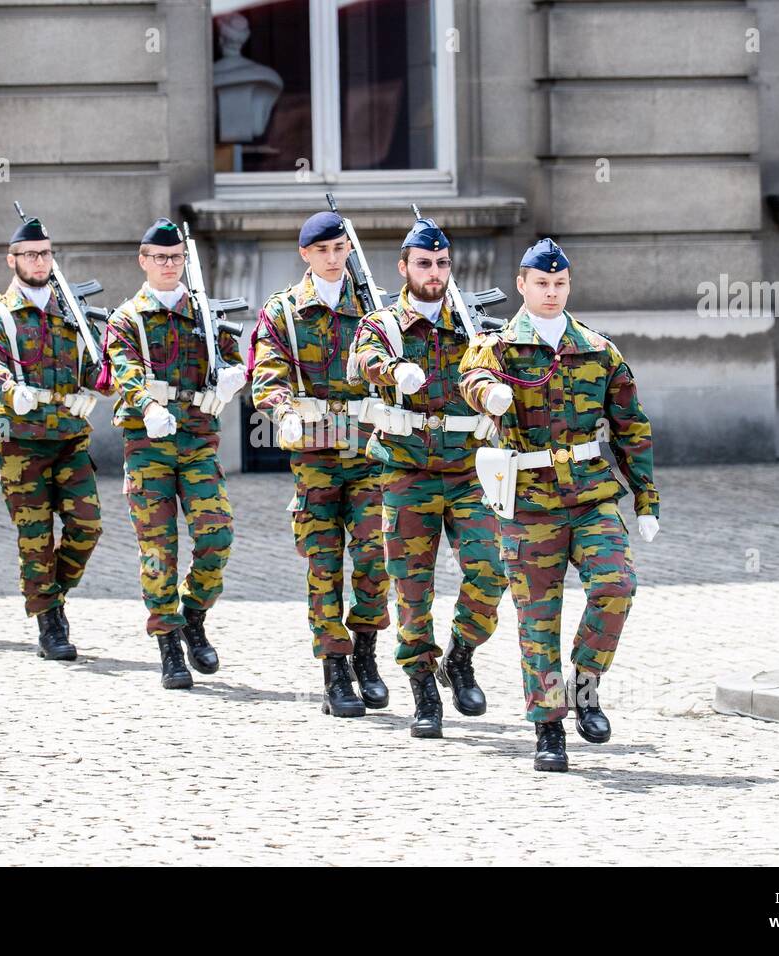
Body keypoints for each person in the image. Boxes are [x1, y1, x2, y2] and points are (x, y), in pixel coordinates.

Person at [458, 238, 660, 771]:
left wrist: (646, 499)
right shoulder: (497, 347)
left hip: (591, 498)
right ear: (521, 286)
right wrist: (489, 394)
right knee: (538, 617)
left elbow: (631, 428)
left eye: (560, 284)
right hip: (529, 503)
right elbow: (471, 379)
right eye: (541, 284)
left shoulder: (599, 350)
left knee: (616, 585)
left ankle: (586, 683)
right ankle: (549, 726)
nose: (551, 292)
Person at [351, 218, 507, 738]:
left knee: (491, 569)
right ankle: (422, 686)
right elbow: (363, 360)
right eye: (424, 263)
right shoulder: (382, 324)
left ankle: (459, 656)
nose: (434, 273)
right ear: (404, 268)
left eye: (442, 263)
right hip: (407, 473)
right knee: (413, 587)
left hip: (467, 471)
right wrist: (393, 371)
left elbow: (500, 373)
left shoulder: (471, 324)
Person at [249, 210, 391, 718]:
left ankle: (367, 652)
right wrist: (281, 410)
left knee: (376, 558)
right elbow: (267, 372)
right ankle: (335, 666)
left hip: (370, 451)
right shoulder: (284, 312)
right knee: (323, 561)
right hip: (314, 454)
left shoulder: (375, 308)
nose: (333, 259)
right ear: (305, 255)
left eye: (341, 249)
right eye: (323, 251)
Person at [102, 218, 246, 689]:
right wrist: (146, 406)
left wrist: (232, 375)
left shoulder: (205, 312)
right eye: (160, 257)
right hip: (149, 448)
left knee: (217, 535)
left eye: (177, 257)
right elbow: (123, 370)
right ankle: (168, 645)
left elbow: (231, 359)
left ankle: (193, 616)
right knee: (158, 551)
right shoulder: (128, 319)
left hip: (199, 442)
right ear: (143, 261)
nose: (169, 265)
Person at [0, 217, 104, 661]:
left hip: (68, 438)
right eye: (30, 254)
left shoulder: (74, 312)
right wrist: (9, 389)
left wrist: (96, 390)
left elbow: (101, 366)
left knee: (87, 525)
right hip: (22, 442)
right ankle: (49, 623)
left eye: (46, 253)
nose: (40, 261)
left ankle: (51, 595)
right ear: (13, 260)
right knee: (35, 535)